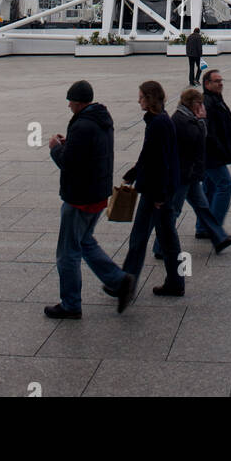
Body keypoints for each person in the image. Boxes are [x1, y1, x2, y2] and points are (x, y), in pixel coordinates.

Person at [44, 80, 134, 319]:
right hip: (97, 194)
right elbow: (87, 153)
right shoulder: (101, 120)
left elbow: (69, 164)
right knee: (84, 242)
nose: (69, 106)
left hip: (79, 198)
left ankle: (71, 304)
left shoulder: (83, 126)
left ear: (79, 102)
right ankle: (118, 280)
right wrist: (69, 144)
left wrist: (55, 148)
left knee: (68, 252)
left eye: (71, 101)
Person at [153, 88, 231, 258]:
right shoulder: (181, 120)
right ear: (192, 103)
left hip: (189, 175)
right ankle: (160, 247)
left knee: (202, 207)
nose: (202, 106)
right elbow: (197, 142)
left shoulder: (187, 117)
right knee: (174, 212)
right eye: (199, 103)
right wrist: (202, 120)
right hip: (183, 176)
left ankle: (219, 238)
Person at [121, 81, 184, 298]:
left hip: (157, 192)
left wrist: (159, 196)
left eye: (140, 97)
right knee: (164, 239)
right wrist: (134, 172)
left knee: (148, 238)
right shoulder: (158, 121)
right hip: (157, 189)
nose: (138, 100)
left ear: (149, 99)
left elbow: (162, 162)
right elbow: (149, 154)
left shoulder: (159, 123)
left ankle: (125, 282)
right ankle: (174, 282)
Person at [196, 69, 231, 238]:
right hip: (212, 155)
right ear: (207, 84)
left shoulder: (214, 99)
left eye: (221, 80)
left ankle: (202, 227)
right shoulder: (207, 102)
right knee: (225, 185)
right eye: (216, 81)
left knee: (209, 188)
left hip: (211, 154)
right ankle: (214, 229)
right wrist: (221, 151)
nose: (220, 83)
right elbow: (208, 132)